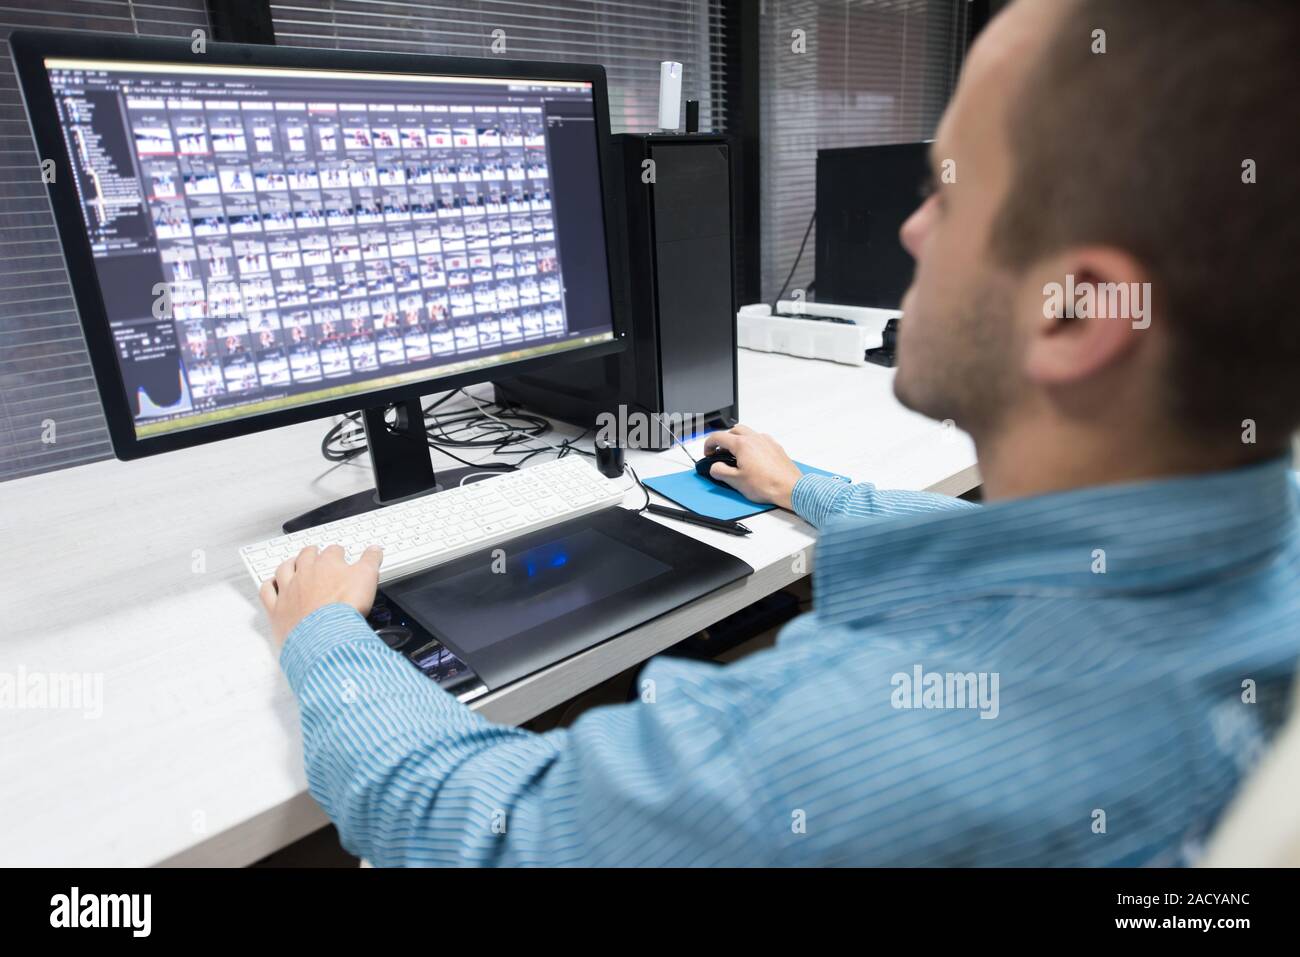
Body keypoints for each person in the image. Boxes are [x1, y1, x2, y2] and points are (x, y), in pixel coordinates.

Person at [259, 0, 1300, 865]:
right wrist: (809, 491)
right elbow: (1049, 559)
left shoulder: (835, 754)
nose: (908, 230)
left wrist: (327, 640)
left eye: (950, 192)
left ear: (1073, 313)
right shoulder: (1271, 538)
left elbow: (489, 833)